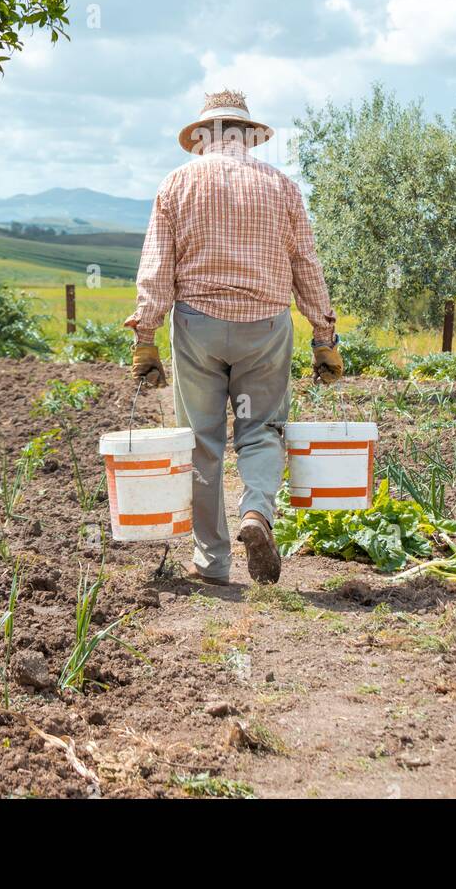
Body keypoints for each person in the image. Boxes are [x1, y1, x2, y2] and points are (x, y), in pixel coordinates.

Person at [124, 90, 342, 584]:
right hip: (265, 326)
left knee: (202, 442)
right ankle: (257, 512)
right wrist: (323, 335)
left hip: (198, 325)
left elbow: (156, 268)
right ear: (247, 136)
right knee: (262, 430)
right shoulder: (281, 186)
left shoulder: (176, 184)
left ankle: (213, 561)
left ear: (203, 137)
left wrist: (146, 336)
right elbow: (305, 263)